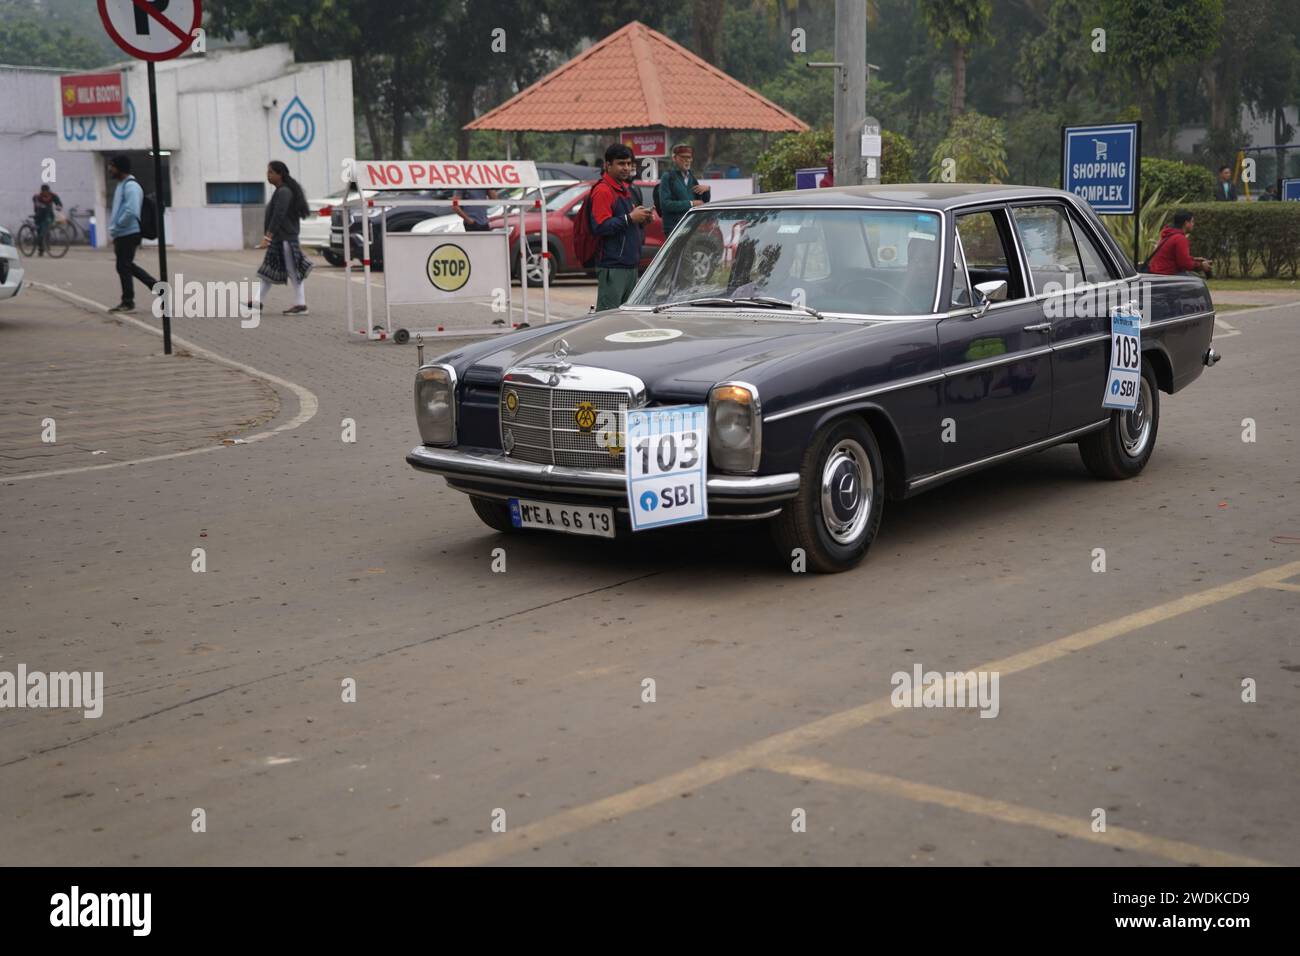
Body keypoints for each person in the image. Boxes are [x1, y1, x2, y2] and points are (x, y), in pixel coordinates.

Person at [591, 143, 653, 311]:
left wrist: (642, 219)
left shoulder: (625, 189)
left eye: (628, 163)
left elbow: (628, 221)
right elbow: (600, 226)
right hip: (613, 267)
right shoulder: (603, 191)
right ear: (608, 165)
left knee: (627, 320)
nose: (626, 168)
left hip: (630, 265)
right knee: (608, 319)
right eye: (621, 163)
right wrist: (629, 218)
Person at [249, 160, 312, 315]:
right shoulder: (280, 191)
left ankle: (301, 304)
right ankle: (257, 302)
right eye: (267, 172)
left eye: (271, 172)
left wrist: (267, 237)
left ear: (280, 174)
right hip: (279, 239)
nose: (267, 175)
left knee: (293, 270)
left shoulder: (284, 192)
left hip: (286, 240)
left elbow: (279, 215)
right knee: (268, 271)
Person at [106, 155, 158, 314]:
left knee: (124, 266)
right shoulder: (122, 185)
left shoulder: (131, 186)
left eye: (112, 166)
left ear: (120, 168)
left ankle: (128, 301)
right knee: (125, 266)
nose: (109, 169)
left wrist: (118, 225)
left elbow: (132, 210)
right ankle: (157, 289)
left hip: (129, 232)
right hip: (121, 233)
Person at [657, 143, 710, 236]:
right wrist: (691, 204)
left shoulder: (691, 177)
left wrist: (707, 190)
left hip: (690, 226)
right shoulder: (668, 177)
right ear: (674, 158)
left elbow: (702, 202)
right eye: (683, 157)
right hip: (674, 228)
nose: (687, 160)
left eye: (689, 157)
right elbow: (666, 204)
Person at [1147, 210, 1212, 276]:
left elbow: (1173, 257)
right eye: (1192, 222)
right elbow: (1184, 264)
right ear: (1186, 223)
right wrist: (1201, 265)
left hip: (1157, 272)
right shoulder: (1180, 238)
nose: (1193, 224)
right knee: (1197, 281)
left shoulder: (1169, 234)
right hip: (1166, 274)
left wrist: (1194, 259)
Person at [31, 184, 63, 256]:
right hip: (39, 217)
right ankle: (41, 249)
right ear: (42, 191)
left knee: (45, 231)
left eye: (47, 191)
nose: (46, 193)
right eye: (44, 191)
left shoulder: (53, 195)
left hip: (48, 216)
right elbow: (36, 202)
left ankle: (46, 245)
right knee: (39, 233)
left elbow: (58, 202)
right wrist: (39, 205)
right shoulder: (37, 196)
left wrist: (59, 206)